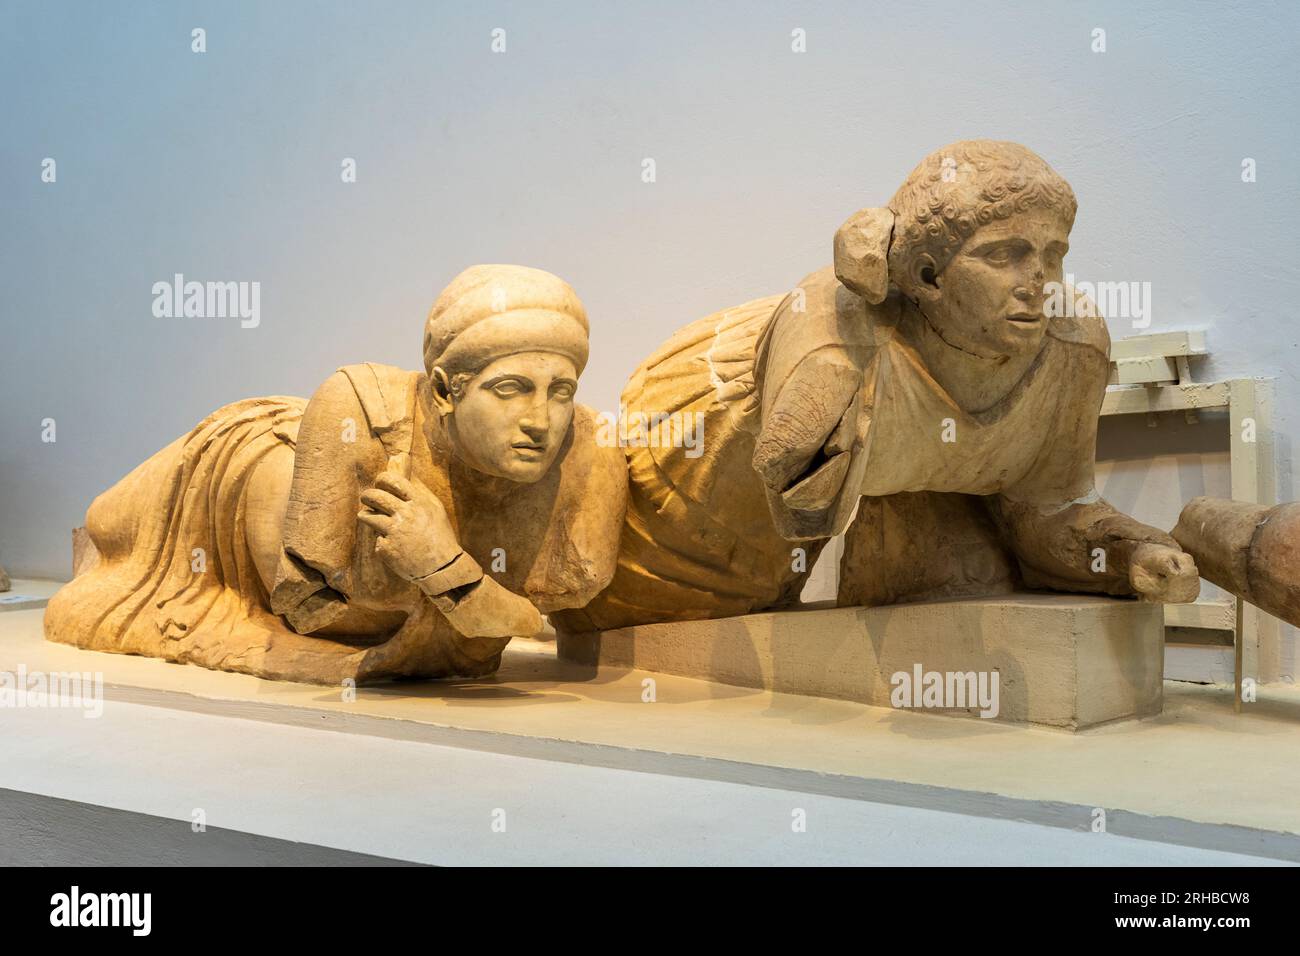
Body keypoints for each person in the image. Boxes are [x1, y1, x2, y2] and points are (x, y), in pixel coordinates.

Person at [555, 140, 1198, 632]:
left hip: (894, 495)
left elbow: (1050, 509)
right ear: (927, 275)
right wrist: (824, 408)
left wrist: (1127, 555)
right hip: (699, 484)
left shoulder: (1073, 345)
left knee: (965, 579)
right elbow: (797, 497)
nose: (1038, 281)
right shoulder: (836, 329)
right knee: (633, 617)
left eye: (1052, 254)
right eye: (1003, 255)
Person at [46, 265, 627, 683]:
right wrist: (463, 601)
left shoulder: (589, 453)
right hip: (235, 471)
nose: (540, 421)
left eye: (560, 391)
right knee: (107, 521)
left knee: (103, 543)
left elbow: (526, 625)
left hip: (314, 474)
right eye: (510, 389)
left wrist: (440, 563)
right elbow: (307, 608)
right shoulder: (359, 407)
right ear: (444, 391)